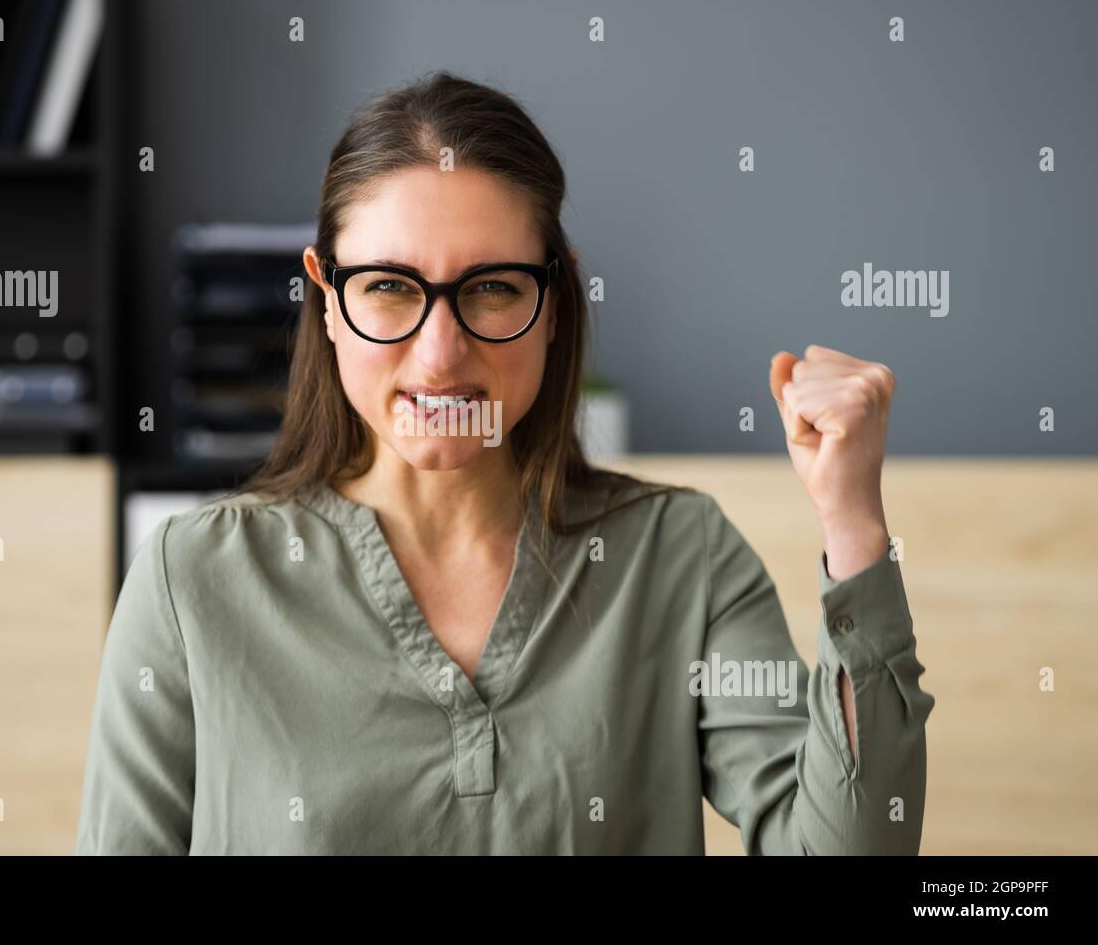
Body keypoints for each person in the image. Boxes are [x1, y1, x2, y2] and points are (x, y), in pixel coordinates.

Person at [75, 70, 934, 855]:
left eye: (492, 288)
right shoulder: (193, 584)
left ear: (552, 303)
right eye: (388, 286)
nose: (441, 354)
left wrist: (851, 520)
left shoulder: (681, 558)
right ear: (327, 299)